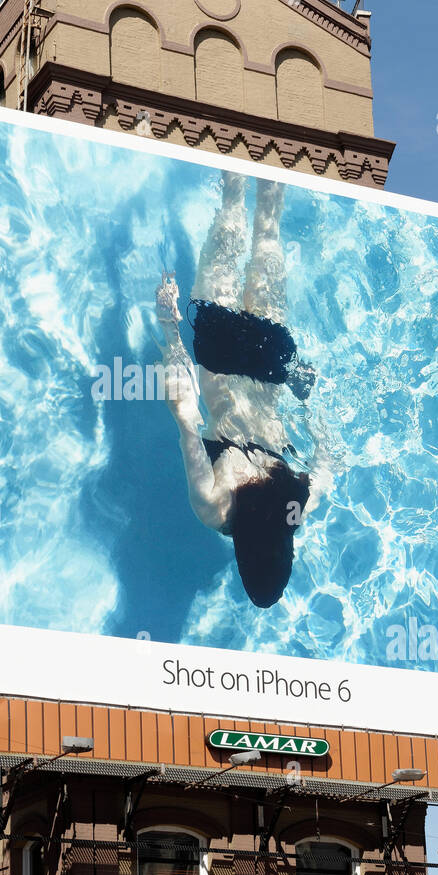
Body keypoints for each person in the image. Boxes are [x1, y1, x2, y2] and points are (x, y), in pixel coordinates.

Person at [156, 172, 314, 609]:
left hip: (271, 367)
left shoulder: (300, 504)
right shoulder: (213, 507)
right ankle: (233, 158)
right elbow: (184, 410)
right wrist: (170, 326)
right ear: (243, 560)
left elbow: (332, 456)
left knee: (267, 233)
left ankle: (271, 153)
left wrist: (303, 390)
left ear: (288, 552)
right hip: (221, 357)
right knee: (230, 214)